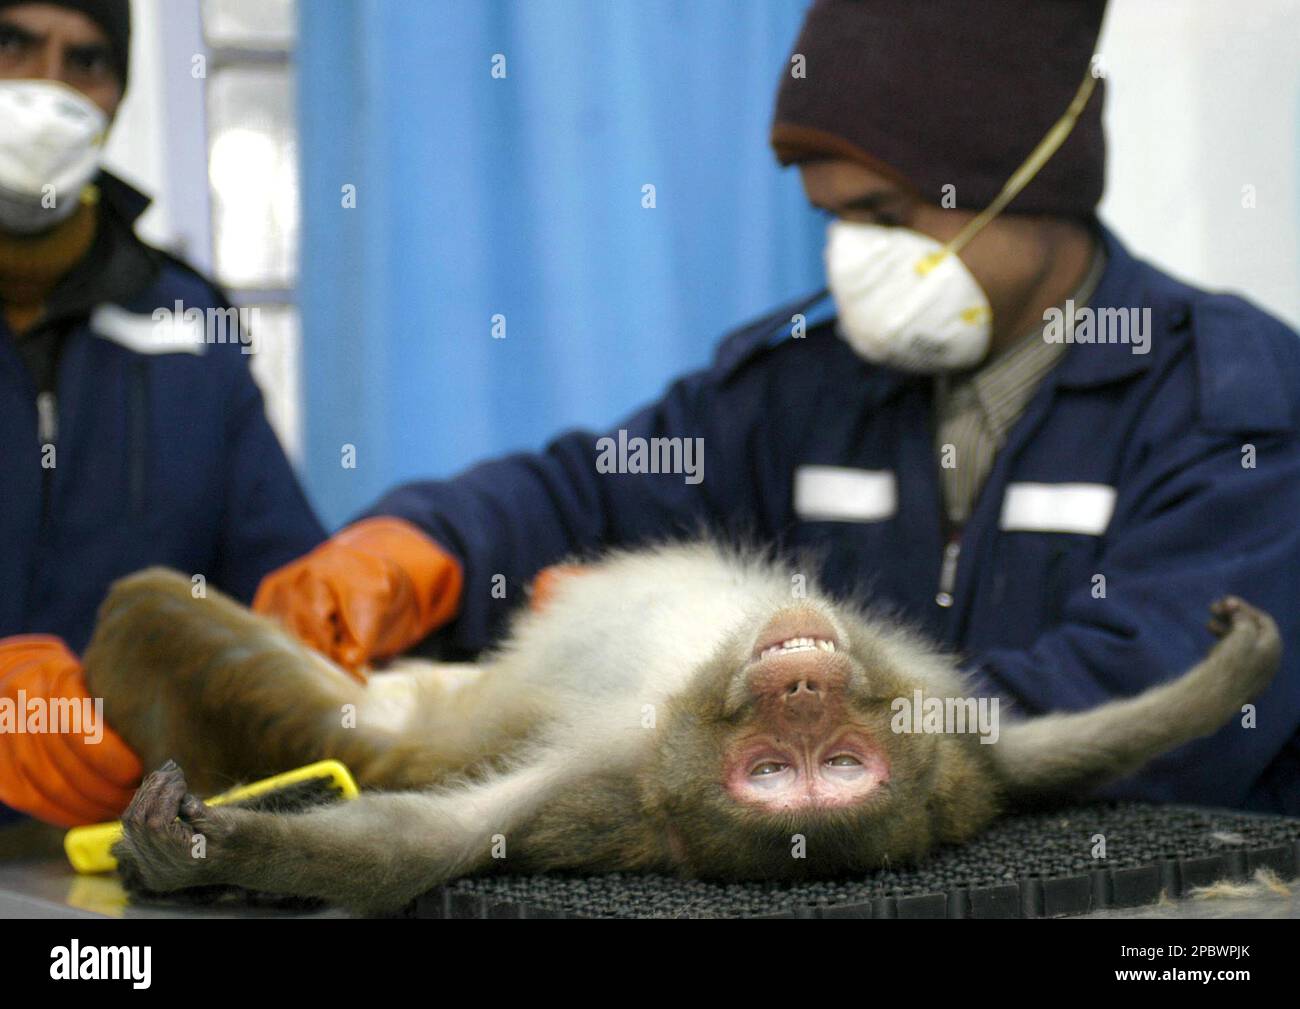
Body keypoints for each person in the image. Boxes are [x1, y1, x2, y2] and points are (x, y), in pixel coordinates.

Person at [257, 0, 1300, 814]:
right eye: (829, 219)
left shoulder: (1230, 404)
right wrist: (425, 544)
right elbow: (595, 488)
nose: (852, 261)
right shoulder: (807, 377)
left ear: (1033, 178)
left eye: (883, 215)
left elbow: (1161, 713)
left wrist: (731, 701)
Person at [0, 0, 324, 829]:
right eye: (13, 45)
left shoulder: (188, 329)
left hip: (119, 853)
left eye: (88, 61)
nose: (47, 88)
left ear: (119, 96)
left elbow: (279, 595)